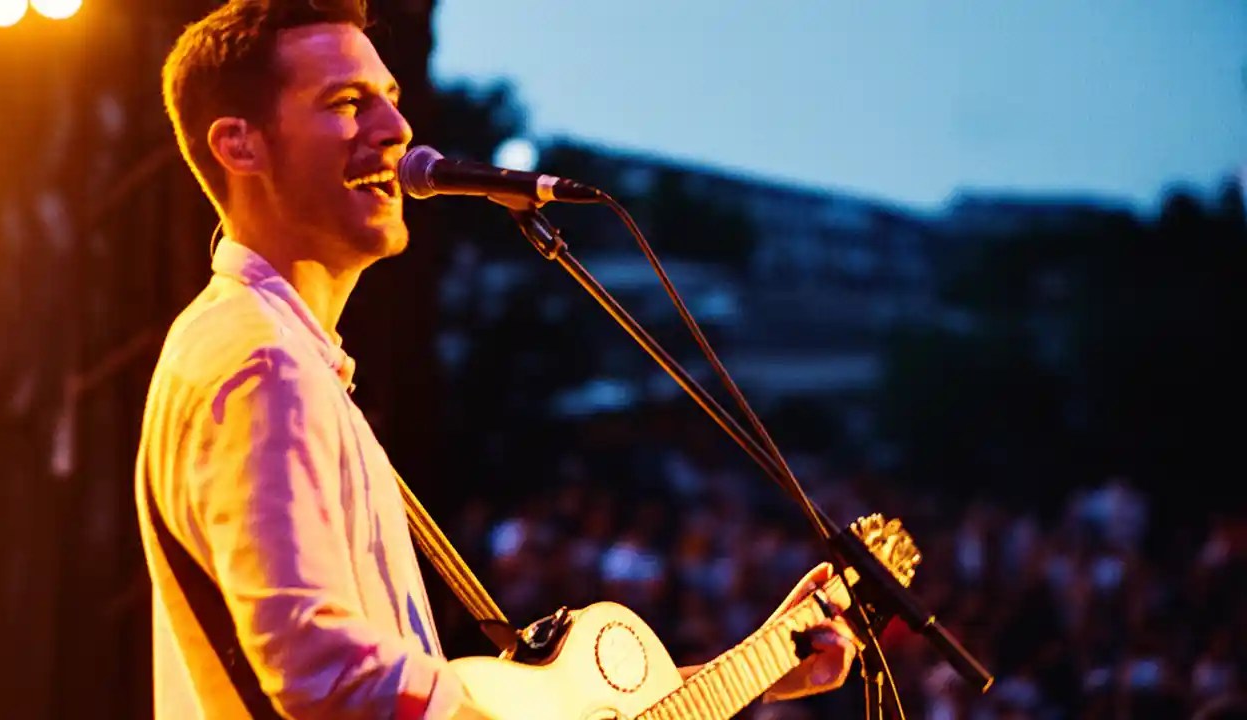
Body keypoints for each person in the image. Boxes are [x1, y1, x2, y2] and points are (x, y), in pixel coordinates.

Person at [134, 0, 858, 718]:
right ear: (239, 145)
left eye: (390, 98)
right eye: (347, 103)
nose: (396, 129)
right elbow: (325, 675)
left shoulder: (284, 360)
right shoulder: (260, 363)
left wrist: (756, 670)